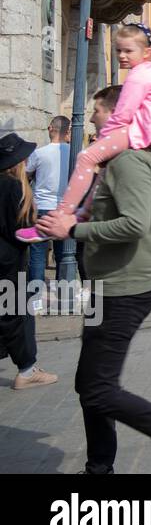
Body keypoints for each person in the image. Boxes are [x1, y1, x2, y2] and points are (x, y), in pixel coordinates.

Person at [35, 87, 151, 472]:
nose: (94, 119)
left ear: (119, 114)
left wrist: (73, 231)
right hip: (116, 282)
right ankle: (100, 468)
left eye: (97, 111)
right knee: (90, 386)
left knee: (97, 388)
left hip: (124, 285)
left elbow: (135, 224)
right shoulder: (148, 159)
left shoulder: (129, 161)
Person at [19, 23, 151, 243]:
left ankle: (61, 215)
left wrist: (104, 138)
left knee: (87, 157)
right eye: (118, 50)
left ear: (146, 51)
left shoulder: (139, 75)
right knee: (104, 173)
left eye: (128, 51)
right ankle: (81, 215)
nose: (122, 56)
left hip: (145, 131)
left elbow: (122, 114)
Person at [1, 133, 57, 389]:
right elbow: (21, 232)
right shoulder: (13, 187)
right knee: (17, 315)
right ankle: (26, 370)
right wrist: (46, 231)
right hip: (8, 263)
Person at [24, 116, 70, 313]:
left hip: (42, 206)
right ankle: (64, 296)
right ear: (68, 131)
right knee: (64, 254)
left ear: (51, 128)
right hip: (64, 209)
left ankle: (35, 300)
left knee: (37, 255)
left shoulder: (39, 153)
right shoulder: (76, 152)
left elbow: (26, 174)